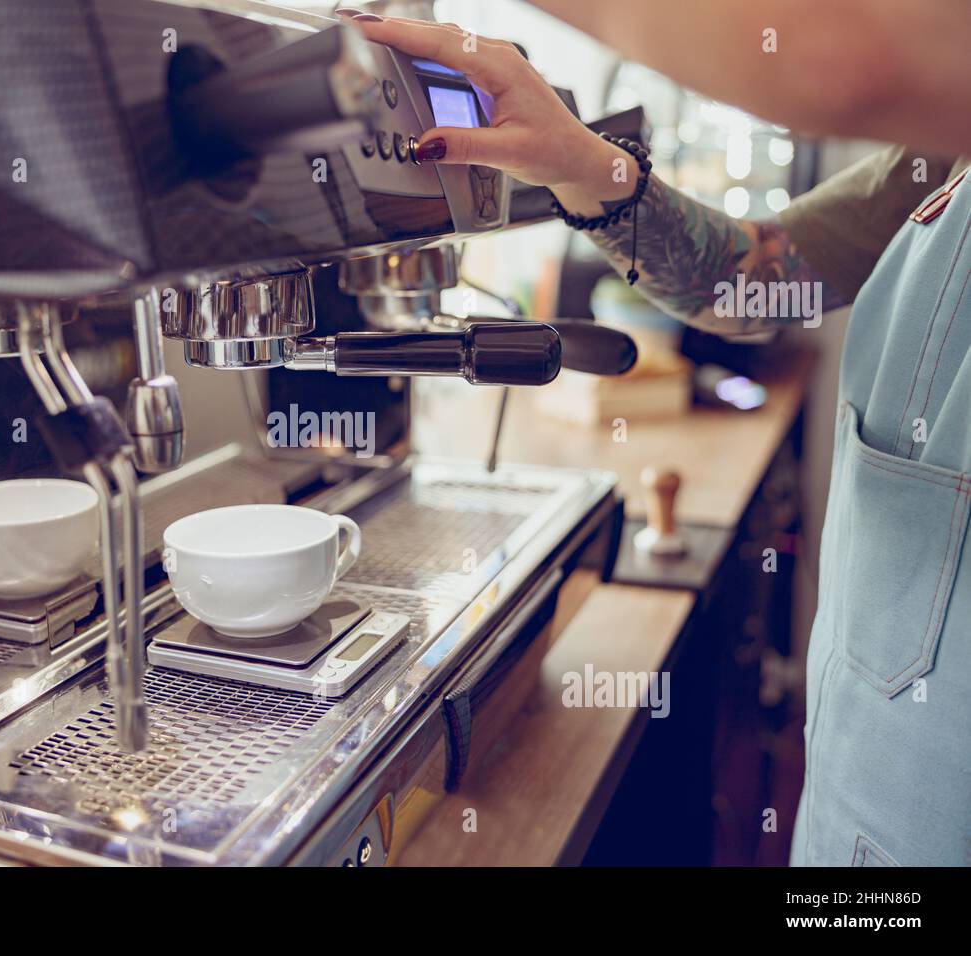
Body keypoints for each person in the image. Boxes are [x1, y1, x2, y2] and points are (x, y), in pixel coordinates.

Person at [342, 12, 970, 866]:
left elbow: (834, 56)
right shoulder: (941, 156)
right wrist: (582, 164)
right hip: (852, 810)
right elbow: (755, 281)